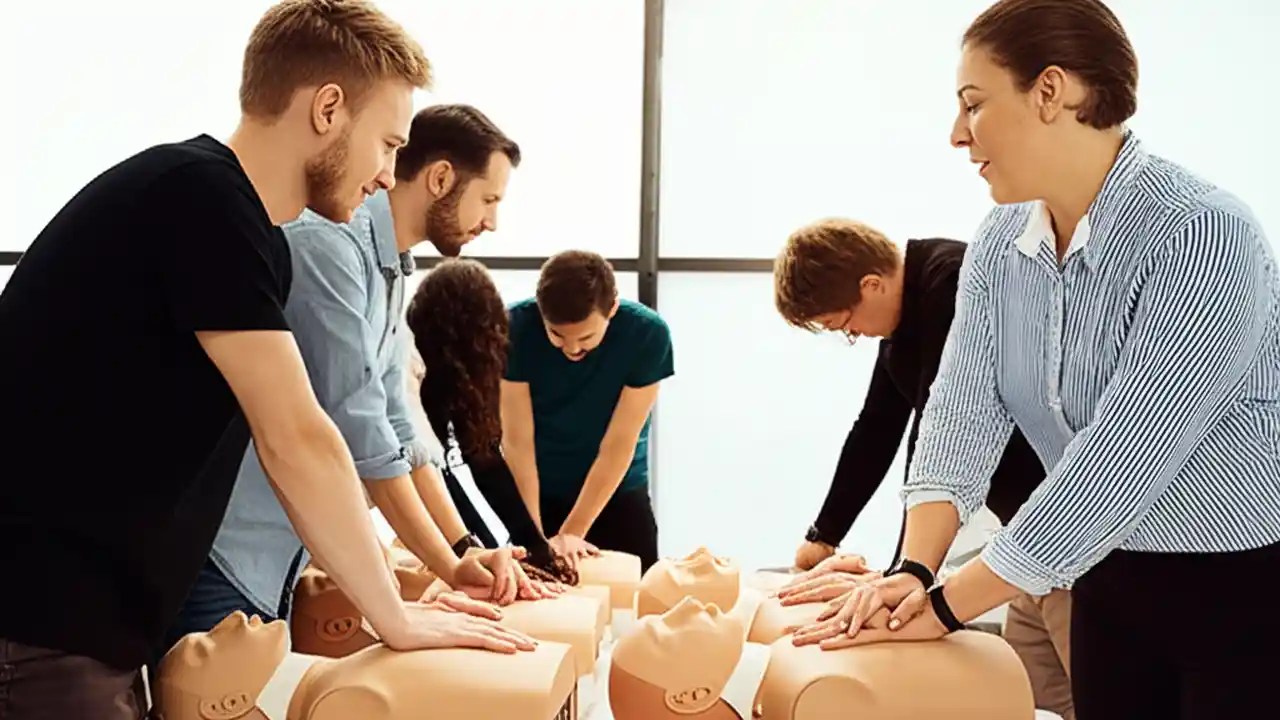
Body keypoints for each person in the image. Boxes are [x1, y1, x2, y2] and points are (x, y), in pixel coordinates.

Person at [0, 3, 533, 718]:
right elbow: (299, 437)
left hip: (83, 620)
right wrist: (396, 615)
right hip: (43, 622)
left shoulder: (233, 219)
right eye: (385, 144)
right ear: (328, 109)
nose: (386, 174)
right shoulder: (205, 200)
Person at [793, 1, 1280, 718]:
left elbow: (1119, 464)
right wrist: (914, 569)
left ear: (1050, 92)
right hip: (1104, 586)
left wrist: (948, 604)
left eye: (973, 105)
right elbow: (958, 417)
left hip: (1233, 592)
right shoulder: (997, 243)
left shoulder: (1205, 233)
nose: (957, 134)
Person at [167, 103, 546, 654]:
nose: (492, 221)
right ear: (440, 178)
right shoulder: (329, 244)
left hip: (280, 546)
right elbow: (361, 432)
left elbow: (399, 431)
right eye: (489, 200)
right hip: (227, 543)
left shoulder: (391, 267)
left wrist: (458, 558)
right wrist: (426, 586)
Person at [769, 219, 1072, 720]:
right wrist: (824, 536)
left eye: (844, 324)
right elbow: (876, 429)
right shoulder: (903, 317)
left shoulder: (952, 282)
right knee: (1039, 693)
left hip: (1075, 525)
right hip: (1024, 534)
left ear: (872, 285)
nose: (852, 335)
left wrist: (907, 572)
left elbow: (940, 432)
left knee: (1095, 686)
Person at [500, 250, 675, 571]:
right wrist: (534, 538)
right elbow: (517, 443)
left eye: (585, 337)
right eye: (556, 335)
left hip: (618, 491)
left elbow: (618, 444)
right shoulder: (514, 328)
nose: (572, 348)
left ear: (613, 309)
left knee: (638, 599)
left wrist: (572, 533)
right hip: (538, 489)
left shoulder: (647, 334)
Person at [406, 258, 576, 584]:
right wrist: (472, 549)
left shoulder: (450, 379)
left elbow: (483, 462)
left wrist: (534, 550)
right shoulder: (408, 367)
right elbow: (429, 475)